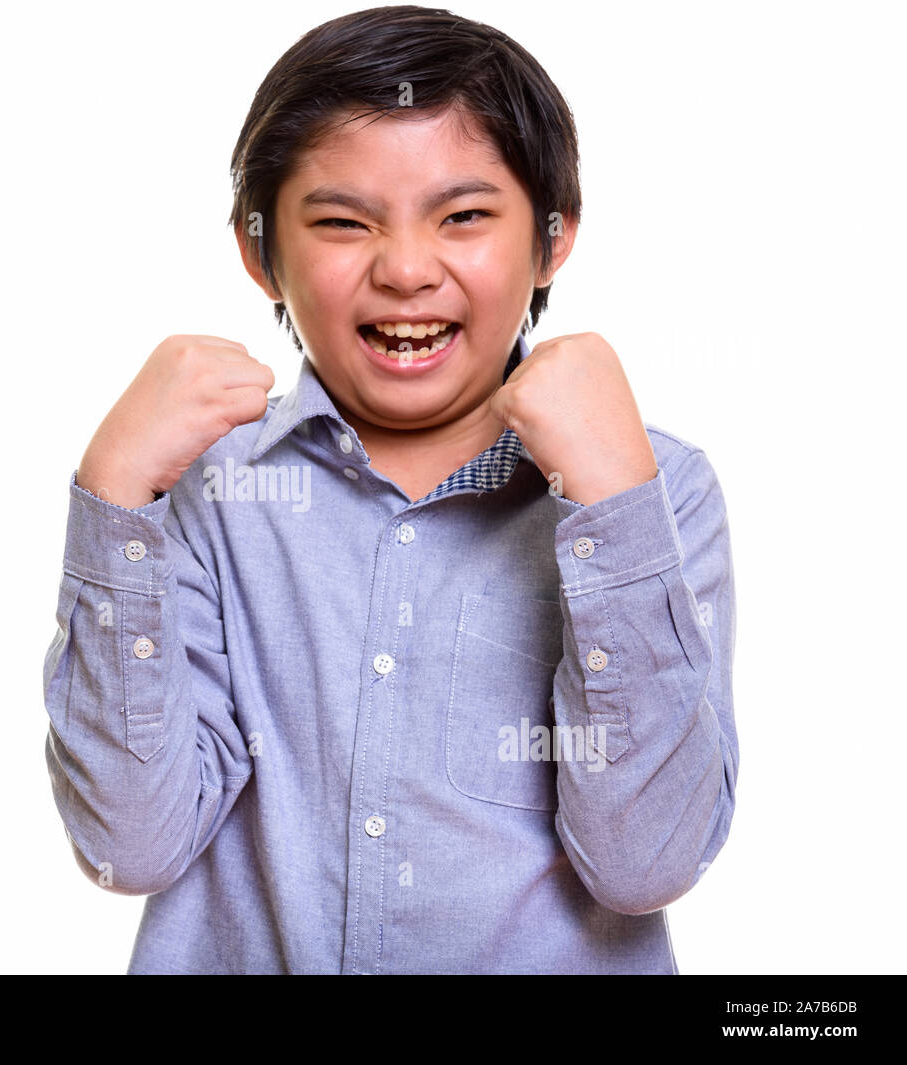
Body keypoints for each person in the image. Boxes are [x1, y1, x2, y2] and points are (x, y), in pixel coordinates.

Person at [43, 5, 738, 974]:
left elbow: (644, 866)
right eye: (340, 222)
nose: (406, 270)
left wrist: (613, 505)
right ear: (259, 254)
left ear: (550, 239)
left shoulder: (659, 491)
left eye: (463, 217)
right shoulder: (200, 492)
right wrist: (115, 492)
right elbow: (128, 847)